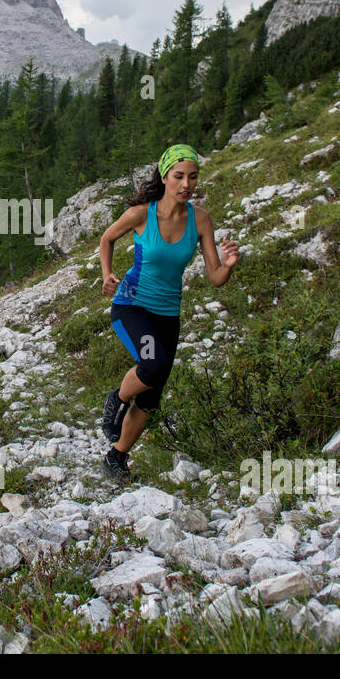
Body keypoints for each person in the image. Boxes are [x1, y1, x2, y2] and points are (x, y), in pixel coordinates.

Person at [97, 144, 239, 481]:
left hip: (167, 315)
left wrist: (229, 265)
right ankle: (115, 399)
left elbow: (216, 277)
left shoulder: (200, 220)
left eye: (192, 176)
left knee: (151, 396)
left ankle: (116, 457)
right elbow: (107, 239)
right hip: (132, 306)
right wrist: (106, 275)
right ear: (164, 177)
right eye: (178, 176)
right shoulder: (142, 215)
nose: (186, 184)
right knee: (153, 364)